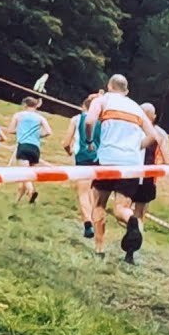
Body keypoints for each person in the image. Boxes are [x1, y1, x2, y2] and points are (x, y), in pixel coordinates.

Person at [86, 75, 159, 258]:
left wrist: (89, 141)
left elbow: (89, 121)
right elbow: (153, 136)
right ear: (126, 91)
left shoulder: (102, 100)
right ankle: (131, 219)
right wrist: (137, 147)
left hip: (107, 160)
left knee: (99, 204)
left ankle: (100, 248)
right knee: (121, 208)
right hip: (132, 164)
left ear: (109, 86)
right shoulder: (136, 107)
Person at [110, 102, 169, 264]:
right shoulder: (161, 134)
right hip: (149, 177)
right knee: (140, 216)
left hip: (130, 172)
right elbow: (166, 159)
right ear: (154, 116)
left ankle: (131, 234)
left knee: (121, 210)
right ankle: (131, 253)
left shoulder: (131, 129)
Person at [63, 93, 102, 238]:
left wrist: (69, 151)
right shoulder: (103, 121)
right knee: (94, 192)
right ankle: (96, 222)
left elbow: (66, 142)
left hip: (83, 158)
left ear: (83, 106)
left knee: (83, 192)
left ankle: (88, 223)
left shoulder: (77, 119)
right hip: (100, 159)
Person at [9, 97, 52, 204]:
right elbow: (48, 132)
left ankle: (31, 191)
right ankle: (16, 202)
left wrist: (20, 132)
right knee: (27, 176)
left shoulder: (18, 115)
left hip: (23, 146)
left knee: (24, 174)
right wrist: (38, 135)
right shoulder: (40, 118)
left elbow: (10, 130)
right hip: (35, 148)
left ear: (25, 105)